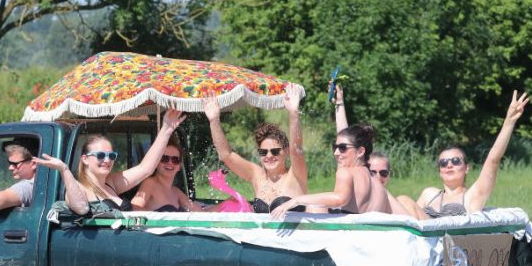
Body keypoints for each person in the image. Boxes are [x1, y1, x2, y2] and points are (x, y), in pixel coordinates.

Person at [397, 91, 530, 219]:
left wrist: (509, 121)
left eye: (455, 161)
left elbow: (493, 160)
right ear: (440, 172)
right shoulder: (429, 194)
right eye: (443, 163)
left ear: (467, 168)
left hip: (443, 234)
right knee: (402, 200)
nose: (449, 165)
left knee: (404, 200)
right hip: (420, 232)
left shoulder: (472, 196)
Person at [34, 109, 187, 215]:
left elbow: (146, 169)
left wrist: (166, 129)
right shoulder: (80, 188)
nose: (107, 160)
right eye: (100, 155)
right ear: (85, 159)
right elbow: (81, 208)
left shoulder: (111, 183)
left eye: (111, 155)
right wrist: (64, 170)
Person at [204, 83, 307, 213]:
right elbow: (226, 156)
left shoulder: (296, 175)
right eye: (263, 152)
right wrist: (214, 120)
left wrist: (293, 112)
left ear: (286, 151)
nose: (269, 156)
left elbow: (296, 150)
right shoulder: (257, 175)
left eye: (275, 151)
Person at [270, 123, 392, 217]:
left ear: (360, 151)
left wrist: (296, 200)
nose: (336, 153)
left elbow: (339, 199)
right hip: (371, 240)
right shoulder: (379, 186)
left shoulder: (346, 173)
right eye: (335, 147)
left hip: (350, 240)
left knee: (313, 209)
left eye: (342, 148)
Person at [332, 82, 392, 187]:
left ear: (360, 152)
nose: (336, 153)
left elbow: (340, 196)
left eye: (383, 173)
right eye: (373, 172)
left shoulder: (348, 175)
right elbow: (343, 134)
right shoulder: (349, 172)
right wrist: (339, 102)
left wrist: (301, 198)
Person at [131, 141, 208, 212]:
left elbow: (200, 212)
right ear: (156, 163)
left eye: (175, 160)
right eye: (164, 158)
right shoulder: (149, 183)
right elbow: (135, 208)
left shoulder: (176, 192)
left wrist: (216, 208)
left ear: (179, 166)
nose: (170, 162)